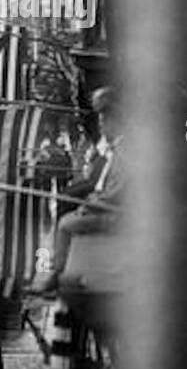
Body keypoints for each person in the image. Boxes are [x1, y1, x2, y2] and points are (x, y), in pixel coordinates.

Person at [33, 87, 125, 294]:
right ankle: (62, 271)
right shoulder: (117, 146)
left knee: (67, 217)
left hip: (116, 212)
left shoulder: (125, 150)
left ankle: (59, 274)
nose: (101, 123)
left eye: (105, 118)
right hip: (106, 198)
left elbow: (116, 192)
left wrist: (90, 204)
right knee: (67, 199)